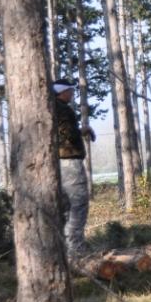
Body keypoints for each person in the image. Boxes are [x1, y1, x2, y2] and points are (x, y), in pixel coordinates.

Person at [52, 78, 95, 257]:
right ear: (63, 92)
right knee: (78, 204)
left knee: (64, 207)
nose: (72, 94)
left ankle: (63, 249)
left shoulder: (50, 108)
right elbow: (67, 134)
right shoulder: (63, 110)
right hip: (69, 162)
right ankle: (76, 250)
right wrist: (82, 131)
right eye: (70, 90)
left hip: (58, 165)